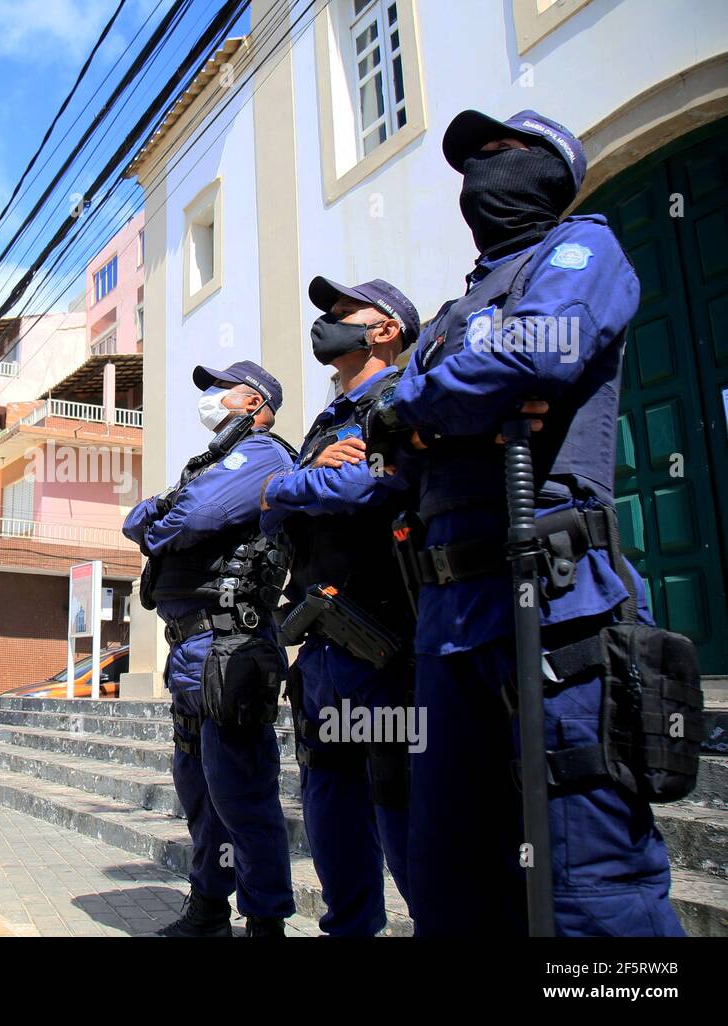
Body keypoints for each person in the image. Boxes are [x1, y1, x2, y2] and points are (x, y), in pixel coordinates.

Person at [362, 109, 683, 936]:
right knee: (452, 878)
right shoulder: (449, 314)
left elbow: (541, 354)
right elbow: (390, 444)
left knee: (589, 888)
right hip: (447, 626)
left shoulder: (582, 250)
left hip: (555, 602)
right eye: (473, 160)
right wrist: (435, 405)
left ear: (551, 169)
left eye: (503, 153)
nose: (483, 171)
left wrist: (424, 403)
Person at [258, 276, 420, 936]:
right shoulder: (326, 424)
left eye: (343, 313)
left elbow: (364, 488)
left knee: (401, 806)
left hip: (385, 647)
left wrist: (295, 485)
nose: (327, 322)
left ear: (383, 330)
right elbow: (270, 513)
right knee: (329, 807)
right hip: (322, 653)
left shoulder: (404, 396)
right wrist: (300, 479)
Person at [123, 360, 297, 938]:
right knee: (199, 792)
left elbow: (192, 515)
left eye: (223, 390)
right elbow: (136, 518)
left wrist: (159, 522)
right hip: (191, 649)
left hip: (232, 641)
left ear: (253, 402)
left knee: (241, 793)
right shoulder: (212, 465)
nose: (212, 398)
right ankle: (208, 910)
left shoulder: (264, 455)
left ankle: (265, 921)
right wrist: (160, 518)